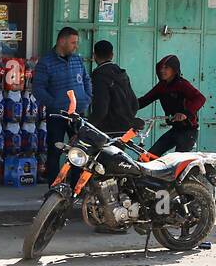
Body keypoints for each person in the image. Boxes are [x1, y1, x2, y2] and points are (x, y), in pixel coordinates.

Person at [33, 27, 92, 184]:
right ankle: (54, 188)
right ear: (61, 41)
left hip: (78, 114)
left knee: (80, 151)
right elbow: (38, 89)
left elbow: (86, 79)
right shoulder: (45, 63)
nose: (76, 46)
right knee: (55, 151)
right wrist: (54, 104)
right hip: (57, 115)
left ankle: (76, 188)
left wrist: (87, 98)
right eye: (73, 43)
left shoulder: (77, 59)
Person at [137, 54, 206, 155]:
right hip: (175, 129)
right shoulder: (162, 86)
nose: (162, 70)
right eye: (161, 68)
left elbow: (200, 98)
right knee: (150, 156)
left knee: (178, 163)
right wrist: (126, 107)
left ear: (174, 69)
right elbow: (144, 100)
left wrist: (185, 113)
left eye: (166, 68)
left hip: (188, 131)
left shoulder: (182, 84)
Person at [88, 40, 138, 136]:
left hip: (106, 130)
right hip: (124, 129)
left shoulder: (99, 76)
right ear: (112, 55)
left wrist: (88, 126)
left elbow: (101, 109)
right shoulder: (122, 74)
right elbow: (135, 104)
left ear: (94, 56)